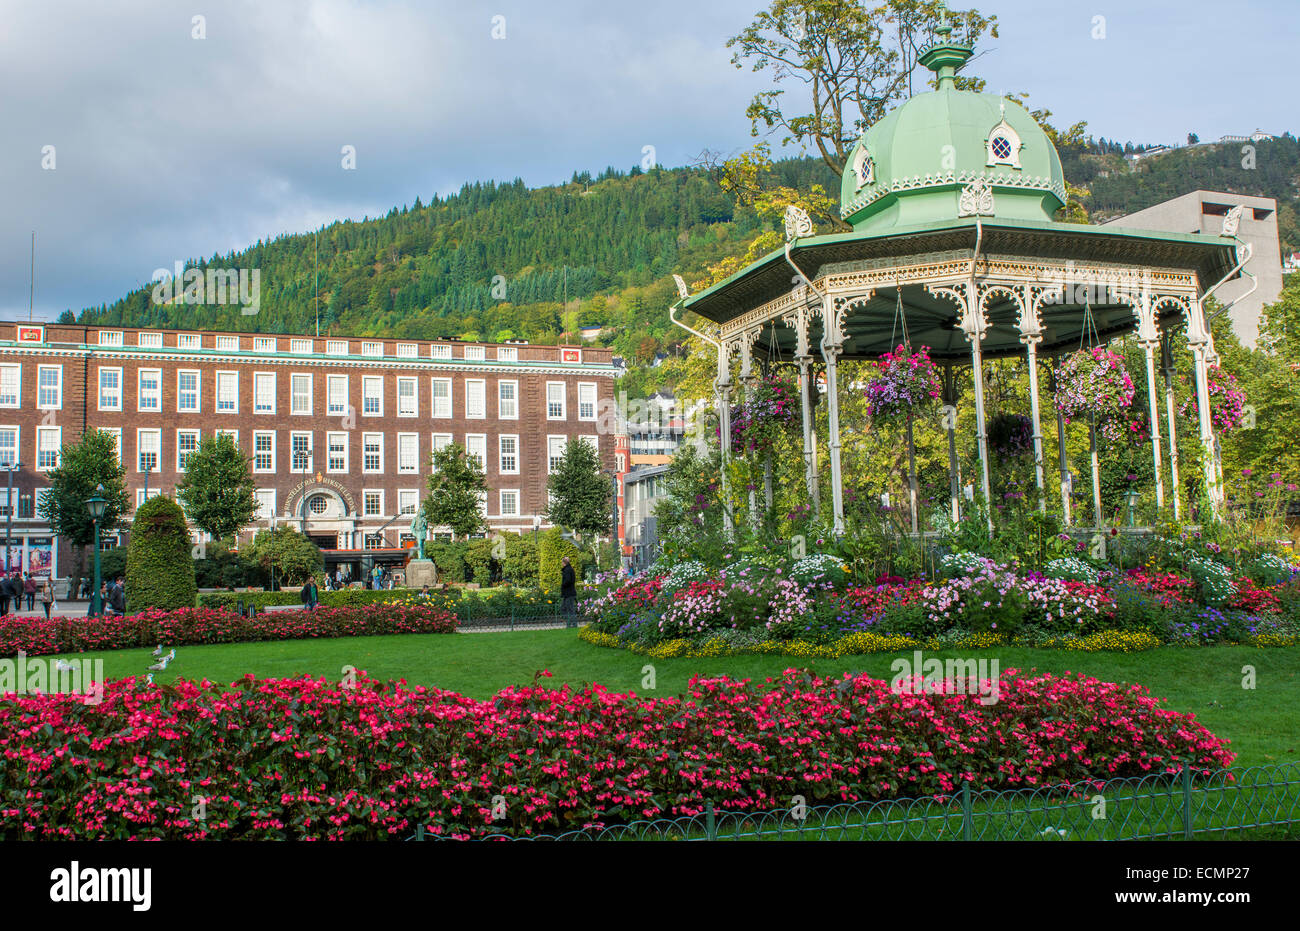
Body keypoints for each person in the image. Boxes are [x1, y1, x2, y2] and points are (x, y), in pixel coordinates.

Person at [560, 556, 577, 627]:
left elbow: (567, 581)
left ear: (564, 563)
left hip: (568, 593)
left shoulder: (567, 570)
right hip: (570, 592)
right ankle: (571, 623)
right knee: (567, 608)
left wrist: (563, 585)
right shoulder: (570, 569)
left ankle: (571, 623)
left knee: (568, 609)